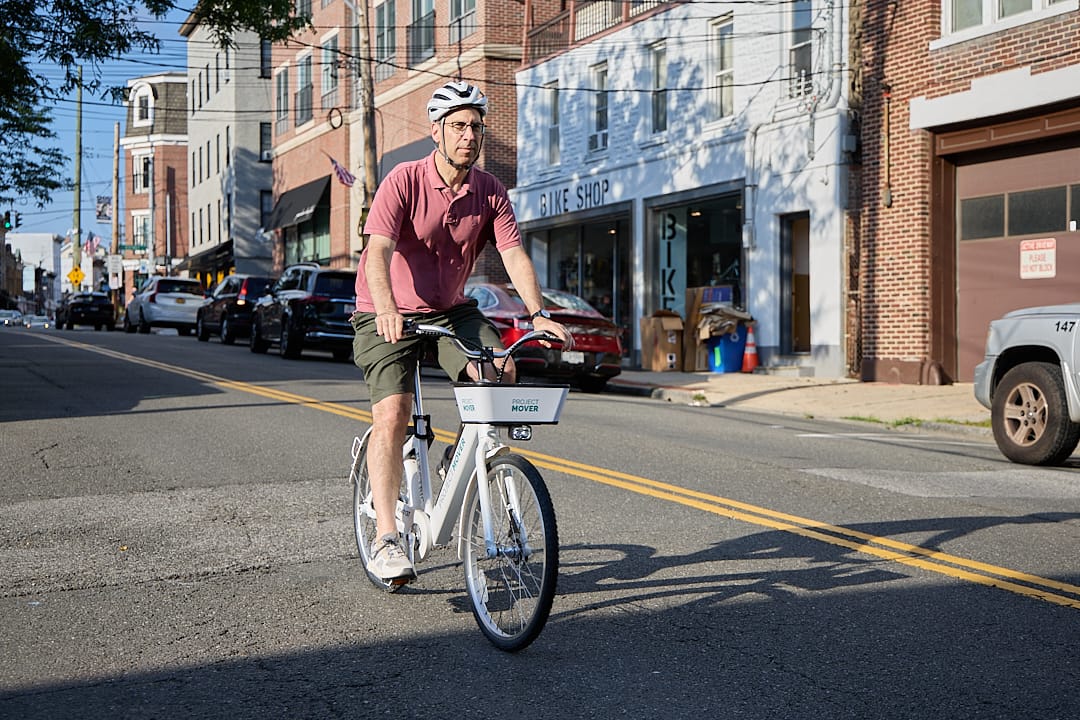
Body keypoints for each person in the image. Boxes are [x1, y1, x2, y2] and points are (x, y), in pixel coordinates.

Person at [351, 80, 573, 584]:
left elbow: (513, 253)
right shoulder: (403, 181)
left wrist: (537, 313)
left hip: (451, 311)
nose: (468, 135)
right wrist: (386, 309)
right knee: (394, 412)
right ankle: (388, 536)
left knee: (501, 370)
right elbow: (379, 252)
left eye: (475, 126)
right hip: (387, 311)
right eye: (457, 126)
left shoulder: (490, 191)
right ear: (436, 132)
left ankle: (461, 456)